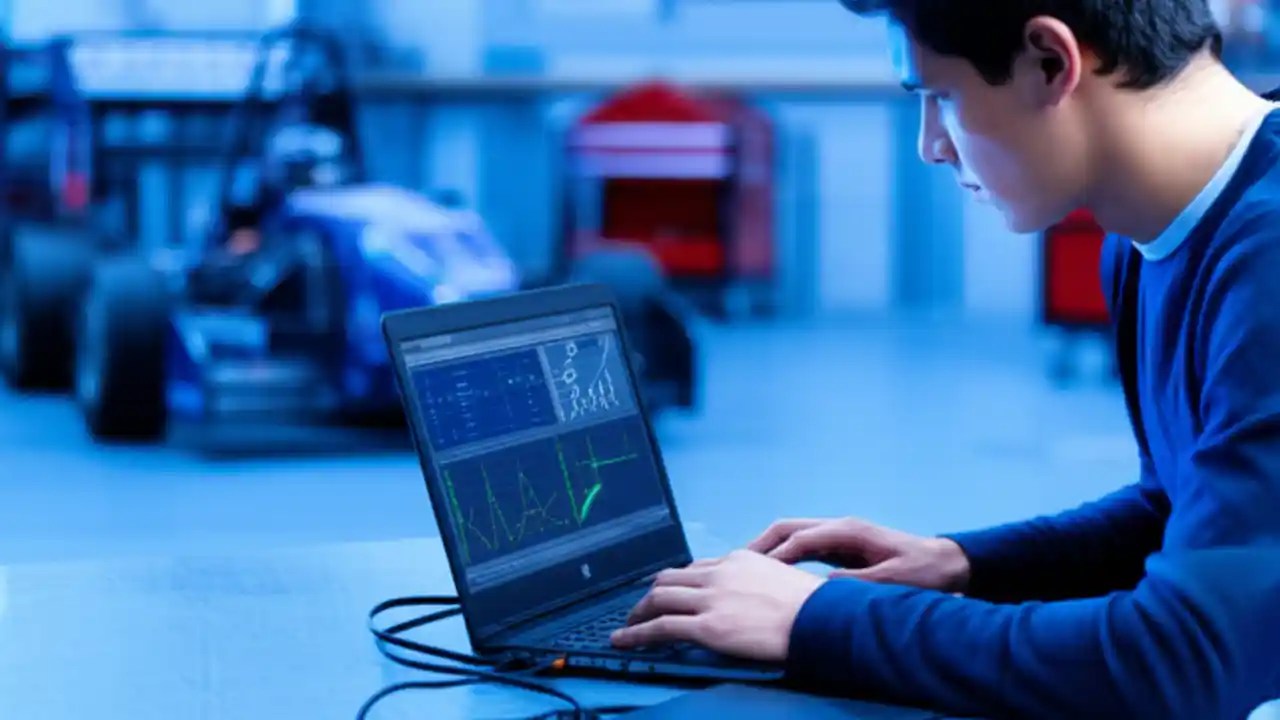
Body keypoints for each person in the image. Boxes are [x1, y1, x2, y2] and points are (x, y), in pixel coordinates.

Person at [610, 1, 1280, 717]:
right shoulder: (1152, 235)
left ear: (1051, 64)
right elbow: (1182, 508)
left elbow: (1184, 660)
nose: (931, 144)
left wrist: (816, 620)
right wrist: (962, 565)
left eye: (941, 97)